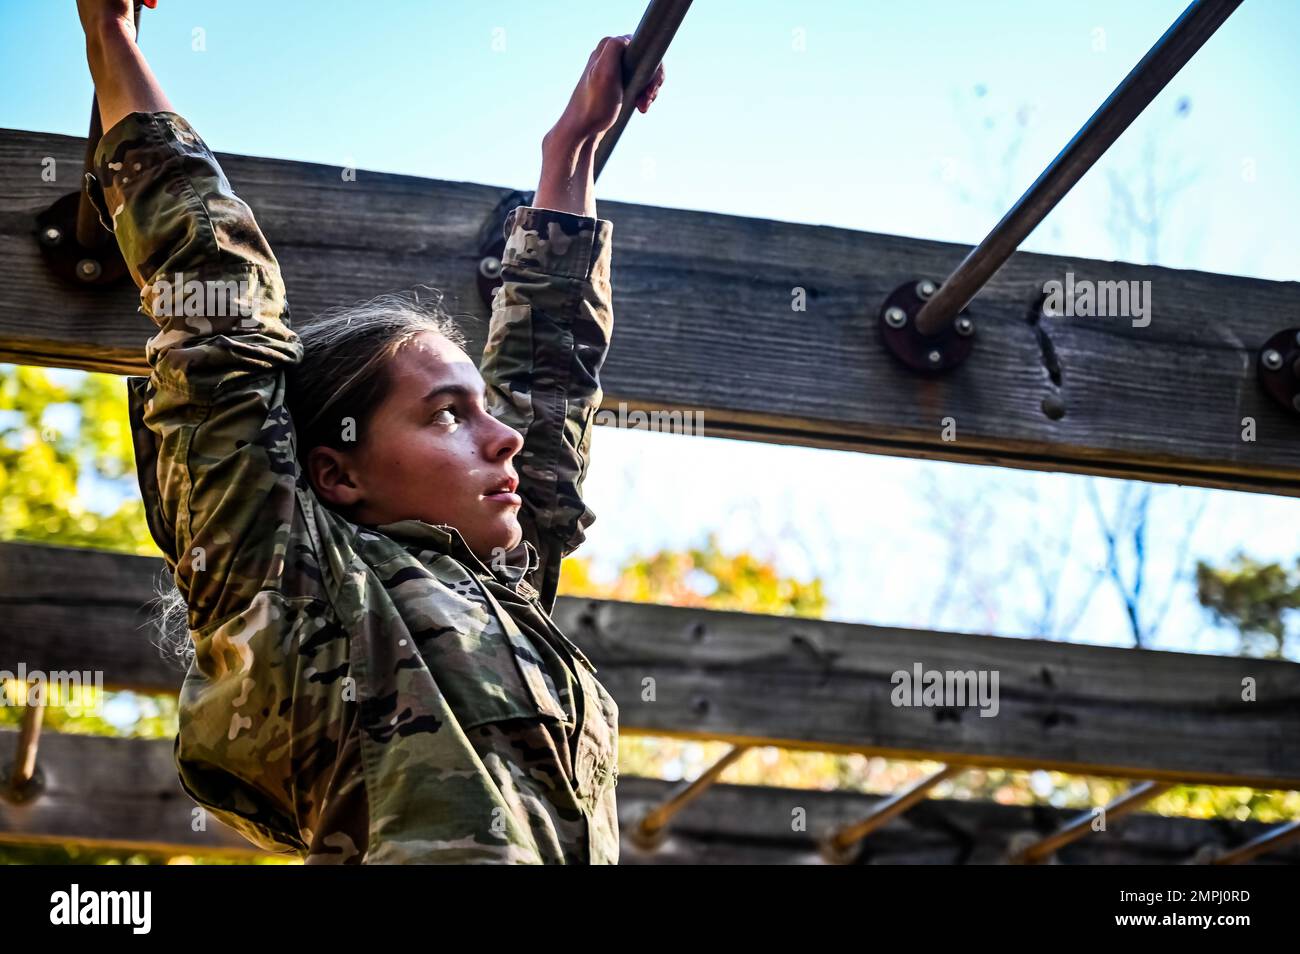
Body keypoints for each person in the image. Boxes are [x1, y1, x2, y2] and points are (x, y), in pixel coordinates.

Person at [76, 0, 665, 864]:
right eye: (447, 415)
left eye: (483, 412)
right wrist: (109, 36)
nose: (502, 440)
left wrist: (569, 152)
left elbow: (546, 390)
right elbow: (215, 299)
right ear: (335, 473)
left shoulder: (500, 598)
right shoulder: (297, 585)